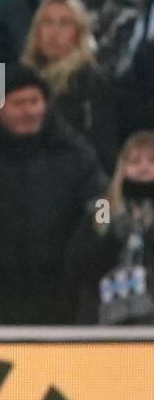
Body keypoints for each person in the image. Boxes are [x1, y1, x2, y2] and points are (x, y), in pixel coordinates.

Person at [0, 65, 109, 324]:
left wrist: (98, 230)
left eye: (35, 101)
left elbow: (102, 202)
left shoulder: (73, 151)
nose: (29, 111)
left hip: (62, 298)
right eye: (19, 103)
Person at [21, 0, 124, 171]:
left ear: (79, 33)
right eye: (47, 22)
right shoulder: (21, 80)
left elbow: (103, 149)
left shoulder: (92, 82)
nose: (55, 32)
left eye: (65, 23)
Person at [67, 130, 154, 323]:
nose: (144, 168)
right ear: (122, 168)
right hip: (104, 316)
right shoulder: (104, 205)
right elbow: (78, 263)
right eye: (135, 161)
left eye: (151, 161)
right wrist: (114, 236)